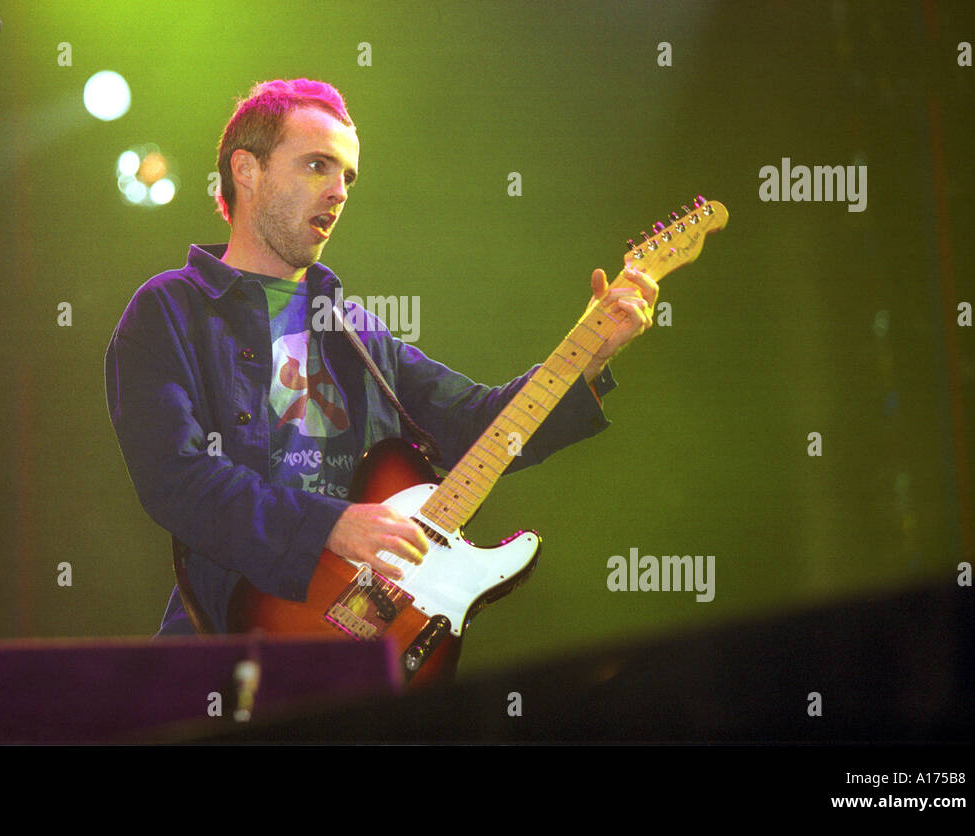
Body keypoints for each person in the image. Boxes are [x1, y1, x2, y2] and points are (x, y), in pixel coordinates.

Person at [104, 78, 657, 638]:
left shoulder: (359, 334)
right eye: (317, 166)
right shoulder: (171, 309)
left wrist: (586, 356)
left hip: (376, 631)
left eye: (347, 175)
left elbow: (477, 424)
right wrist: (331, 526)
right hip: (228, 637)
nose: (340, 190)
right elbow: (177, 478)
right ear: (246, 170)